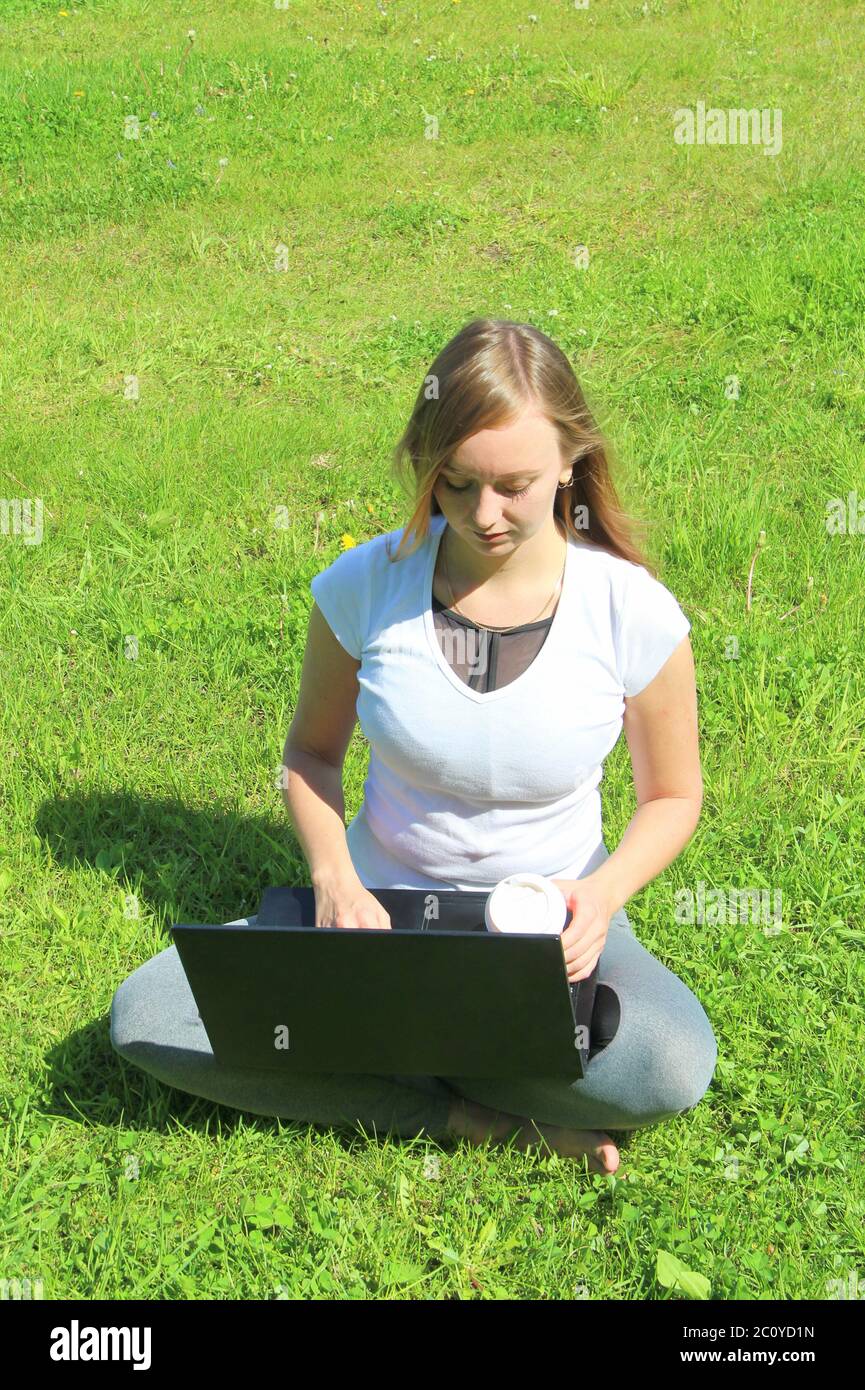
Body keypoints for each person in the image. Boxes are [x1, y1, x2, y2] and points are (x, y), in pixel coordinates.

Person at [110, 319, 717, 1175]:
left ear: (570, 462)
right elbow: (309, 757)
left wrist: (601, 895)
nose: (482, 514)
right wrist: (334, 878)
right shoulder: (364, 585)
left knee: (670, 1064)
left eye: (514, 485)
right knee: (148, 1016)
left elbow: (671, 797)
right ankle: (470, 1114)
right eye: (455, 483)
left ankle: (375, 1052)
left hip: (543, 932)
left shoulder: (631, 610)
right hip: (379, 923)